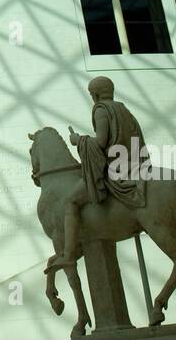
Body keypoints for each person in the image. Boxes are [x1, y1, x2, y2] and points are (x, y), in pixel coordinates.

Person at [48, 76, 149, 270]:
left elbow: (101, 142)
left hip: (115, 170)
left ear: (95, 94)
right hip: (135, 166)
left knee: (71, 201)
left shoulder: (101, 110)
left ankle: (68, 255)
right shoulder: (124, 109)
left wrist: (79, 140)